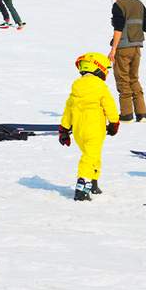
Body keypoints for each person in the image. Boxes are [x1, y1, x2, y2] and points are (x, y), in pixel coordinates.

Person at [58, 53, 120, 201]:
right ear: (98, 68)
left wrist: (64, 130)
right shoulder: (100, 87)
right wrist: (114, 123)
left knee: (93, 154)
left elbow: (68, 109)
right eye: (106, 69)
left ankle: (93, 182)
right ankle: (81, 187)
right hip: (94, 129)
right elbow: (109, 106)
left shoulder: (76, 87)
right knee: (90, 156)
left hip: (79, 129)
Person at [108, 0, 146, 123]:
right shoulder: (140, 4)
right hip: (137, 48)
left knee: (123, 79)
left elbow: (118, 28)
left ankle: (126, 115)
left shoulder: (118, 5)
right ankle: (142, 113)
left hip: (123, 48)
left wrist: (113, 49)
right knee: (134, 78)